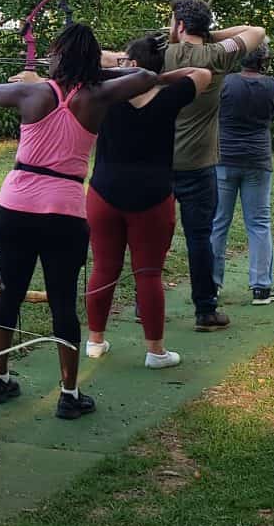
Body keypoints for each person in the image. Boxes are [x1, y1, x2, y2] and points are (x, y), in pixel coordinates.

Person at [0, 23, 170, 418]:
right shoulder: (98, 94)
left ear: (59, 57)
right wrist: (102, 69)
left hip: (17, 207)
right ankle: (68, 394)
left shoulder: (31, 91)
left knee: (9, 292)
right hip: (62, 212)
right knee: (63, 302)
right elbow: (147, 76)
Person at [83, 35, 212, 369]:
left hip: (104, 193)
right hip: (152, 196)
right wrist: (158, 76)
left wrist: (120, 66)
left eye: (127, 59)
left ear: (132, 65)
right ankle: (155, 352)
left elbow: (92, 59)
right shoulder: (169, 96)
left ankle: (95, 342)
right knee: (149, 273)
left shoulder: (105, 92)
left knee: (104, 268)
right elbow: (201, 73)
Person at [163, 0, 266, 331]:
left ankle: (143, 304)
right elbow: (257, 31)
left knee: (155, 237)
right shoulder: (217, 55)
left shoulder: (161, 53)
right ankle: (206, 311)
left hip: (160, 163)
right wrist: (208, 33)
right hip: (199, 164)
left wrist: (188, 31)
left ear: (179, 25)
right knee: (199, 237)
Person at [209, 44, 274, 304]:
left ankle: (211, 285)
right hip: (258, 159)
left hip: (224, 157)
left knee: (219, 222)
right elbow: (273, 114)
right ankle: (261, 287)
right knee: (259, 223)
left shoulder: (225, 83)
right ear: (263, 61)